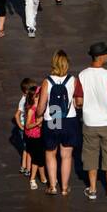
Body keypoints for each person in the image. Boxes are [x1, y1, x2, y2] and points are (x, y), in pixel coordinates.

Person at [74, 42, 107, 201]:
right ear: (100, 57)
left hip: (89, 122)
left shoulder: (82, 75)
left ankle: (92, 189)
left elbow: (78, 101)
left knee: (90, 155)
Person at [36, 50, 80, 196]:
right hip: (69, 119)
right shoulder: (73, 80)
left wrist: (38, 114)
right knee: (66, 156)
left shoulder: (47, 81)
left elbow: (42, 105)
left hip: (54, 118)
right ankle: (65, 188)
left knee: (50, 153)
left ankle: (53, 186)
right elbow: (77, 102)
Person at [15, 77, 36, 177]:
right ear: (27, 91)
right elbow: (17, 115)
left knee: (25, 148)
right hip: (25, 127)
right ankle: (28, 169)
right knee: (29, 149)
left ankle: (23, 166)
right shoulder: (24, 100)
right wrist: (21, 127)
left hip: (24, 127)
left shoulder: (24, 98)